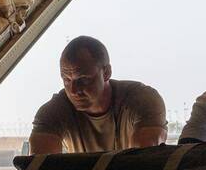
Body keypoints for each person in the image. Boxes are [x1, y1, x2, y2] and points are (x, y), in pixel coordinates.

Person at [29, 36, 167, 153]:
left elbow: (145, 164)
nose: (73, 90)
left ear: (106, 73)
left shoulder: (142, 100)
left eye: (83, 79)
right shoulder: (53, 112)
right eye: (66, 80)